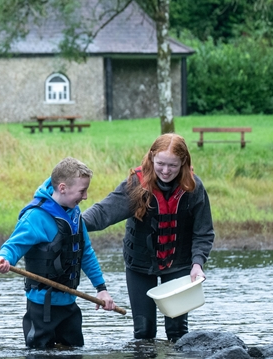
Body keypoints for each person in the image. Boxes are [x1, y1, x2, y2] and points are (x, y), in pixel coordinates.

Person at [82, 133, 214, 342]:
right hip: (140, 265)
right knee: (144, 332)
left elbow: (203, 232)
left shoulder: (193, 188)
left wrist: (197, 263)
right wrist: (70, 222)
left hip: (179, 264)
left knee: (178, 332)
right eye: (160, 163)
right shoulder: (137, 184)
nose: (165, 171)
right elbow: (103, 212)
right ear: (152, 158)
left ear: (183, 162)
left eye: (173, 165)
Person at [0, 157, 117, 349]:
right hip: (42, 308)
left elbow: (86, 253)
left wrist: (101, 289)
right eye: (82, 191)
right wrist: (4, 259)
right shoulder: (36, 217)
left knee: (74, 357)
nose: (85, 197)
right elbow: (13, 246)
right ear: (62, 188)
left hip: (70, 306)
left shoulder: (75, 215)